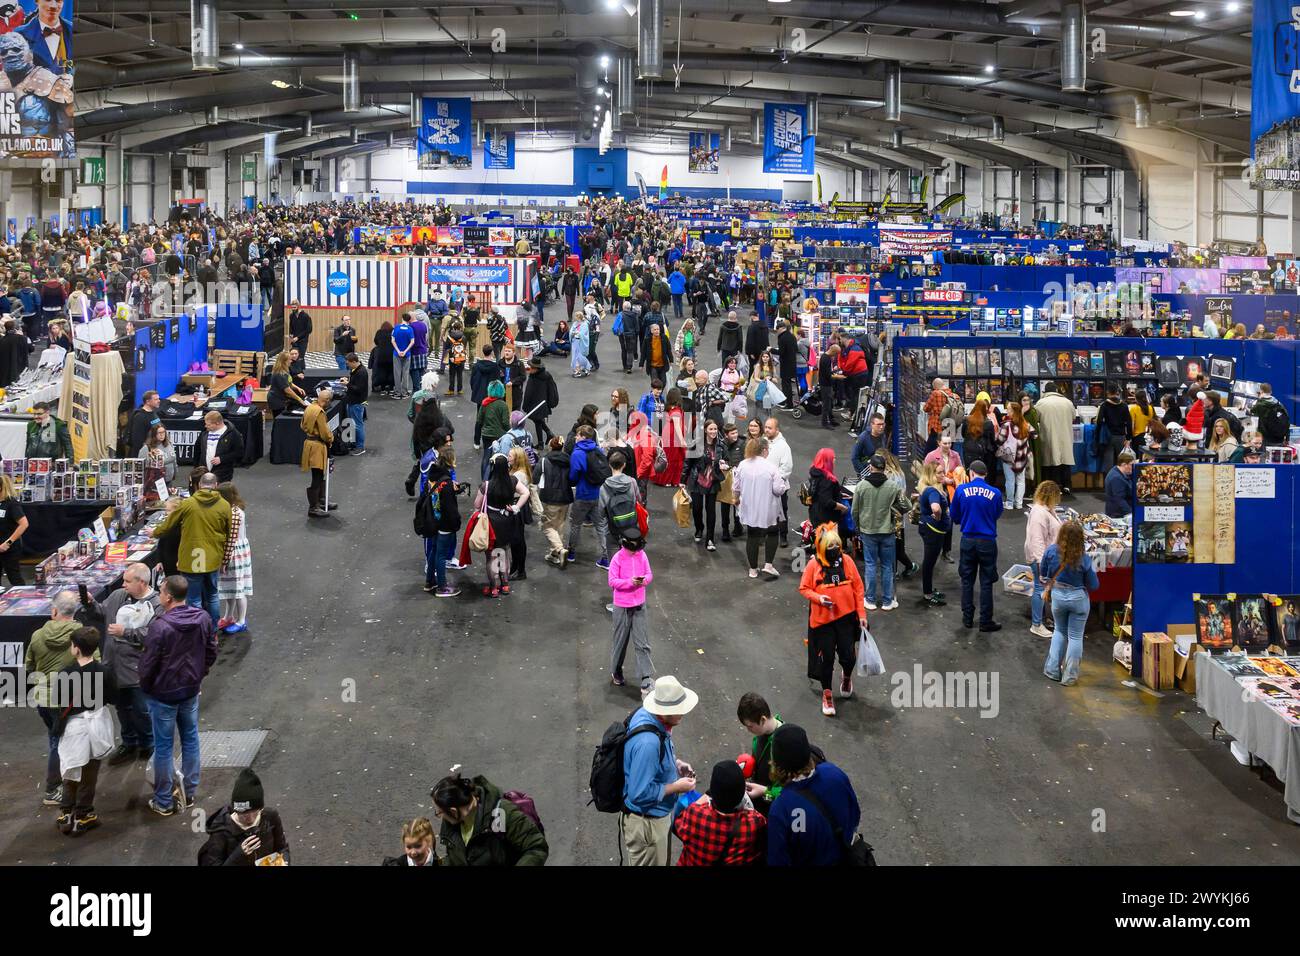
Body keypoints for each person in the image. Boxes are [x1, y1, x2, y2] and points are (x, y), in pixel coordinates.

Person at [140, 575, 218, 816]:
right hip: (190, 691)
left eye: (161, 591)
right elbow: (211, 651)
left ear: (169, 597)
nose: (159, 595)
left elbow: (148, 664)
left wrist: (147, 686)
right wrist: (199, 675)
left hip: (163, 694)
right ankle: (189, 791)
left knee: (163, 746)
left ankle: (164, 800)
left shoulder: (160, 626)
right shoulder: (203, 618)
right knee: (190, 738)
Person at [84, 562, 158, 765]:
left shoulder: (156, 603)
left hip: (137, 668)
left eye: (127, 581)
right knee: (122, 707)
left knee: (141, 709)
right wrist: (91, 604)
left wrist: (125, 632)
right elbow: (101, 613)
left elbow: (154, 634)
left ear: (142, 582)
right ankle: (129, 742)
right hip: (113, 665)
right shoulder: (118, 596)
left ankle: (149, 744)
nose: (122, 584)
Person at [621, 675, 699, 866]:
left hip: (653, 820)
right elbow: (638, 794)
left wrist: (676, 763)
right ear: (663, 712)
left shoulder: (649, 717)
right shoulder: (648, 743)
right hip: (647, 825)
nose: (683, 714)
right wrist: (675, 787)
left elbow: (653, 760)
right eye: (678, 710)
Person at [52, 627, 117, 836]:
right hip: (96, 726)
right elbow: (112, 697)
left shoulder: (65, 674)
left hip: (73, 728)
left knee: (70, 768)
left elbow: (58, 703)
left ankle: (66, 813)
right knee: (90, 771)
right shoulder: (104, 671)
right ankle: (84, 814)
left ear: (76, 649)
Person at [767, 724, 862, 866]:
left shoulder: (781, 809)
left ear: (777, 764)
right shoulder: (834, 773)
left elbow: (778, 860)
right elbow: (855, 815)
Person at [798, 525, 865, 717]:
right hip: (823, 622)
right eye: (830, 545)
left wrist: (861, 616)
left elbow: (858, 589)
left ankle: (846, 676)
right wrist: (818, 598)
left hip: (846, 619)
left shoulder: (847, 561)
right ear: (821, 547)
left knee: (848, 656)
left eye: (837, 544)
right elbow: (804, 588)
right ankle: (827, 693)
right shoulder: (813, 565)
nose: (835, 548)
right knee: (825, 660)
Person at [149, 471, 231, 624]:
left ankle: (197, 631)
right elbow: (229, 533)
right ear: (216, 486)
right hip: (213, 557)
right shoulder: (225, 505)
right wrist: (225, 558)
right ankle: (212, 631)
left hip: (192, 559)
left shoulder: (188, 504)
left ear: (199, 485)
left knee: (193, 598)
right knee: (213, 595)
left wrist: (154, 532)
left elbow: (168, 524)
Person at [26, 590, 82, 806]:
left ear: (54, 611)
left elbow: (29, 666)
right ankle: (53, 789)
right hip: (69, 699)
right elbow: (93, 664)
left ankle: (59, 785)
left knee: (55, 738)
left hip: (43, 698)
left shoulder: (38, 635)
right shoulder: (81, 634)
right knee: (60, 743)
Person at [430, 770, 549, 866]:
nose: (439, 816)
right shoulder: (452, 822)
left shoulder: (502, 813)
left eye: (439, 812)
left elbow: (536, 847)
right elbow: (455, 859)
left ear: (453, 811)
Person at [672, 759, 767, 866]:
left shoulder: (694, 814)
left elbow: (677, 825)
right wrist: (766, 790)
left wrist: (709, 793)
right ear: (742, 794)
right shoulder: (754, 823)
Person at [1041, 520, 1101, 687]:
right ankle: (1070, 677)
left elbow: (1044, 575)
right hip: (1078, 600)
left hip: (1058, 597)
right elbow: (1094, 585)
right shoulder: (1084, 559)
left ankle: (1052, 671)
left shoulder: (1051, 552)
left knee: (1059, 631)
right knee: (1075, 637)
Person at [949, 460, 1003, 632]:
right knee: (986, 582)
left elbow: (954, 515)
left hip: (968, 540)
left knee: (967, 580)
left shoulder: (961, 490)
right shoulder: (995, 493)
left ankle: (967, 618)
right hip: (987, 541)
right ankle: (986, 620)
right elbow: (997, 513)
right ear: (985, 474)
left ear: (971, 473)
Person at [198, 769, 291, 865]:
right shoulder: (221, 831)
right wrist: (239, 854)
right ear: (236, 810)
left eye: (254, 812)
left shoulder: (271, 817)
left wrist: (284, 862)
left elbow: (282, 848)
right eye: (244, 814)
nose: (250, 819)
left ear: (260, 808)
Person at [852, 454, 906, 611]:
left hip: (868, 531)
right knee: (887, 566)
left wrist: (857, 526)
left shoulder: (862, 486)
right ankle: (888, 601)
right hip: (887, 531)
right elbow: (906, 505)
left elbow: (854, 510)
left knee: (870, 564)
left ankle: (870, 599)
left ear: (871, 467)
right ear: (884, 468)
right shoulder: (893, 486)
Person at [474, 453, 530, 597]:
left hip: (491, 523)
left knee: (491, 556)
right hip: (507, 520)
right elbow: (526, 493)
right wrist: (516, 507)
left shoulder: (486, 485)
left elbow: (477, 504)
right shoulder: (512, 481)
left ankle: (494, 587)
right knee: (504, 552)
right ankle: (505, 585)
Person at [735, 436, 789, 580]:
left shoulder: (742, 465)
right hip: (768, 508)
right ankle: (768, 565)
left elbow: (736, 486)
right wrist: (783, 485)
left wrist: (735, 499)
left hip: (749, 507)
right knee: (772, 532)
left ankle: (753, 569)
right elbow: (778, 490)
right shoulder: (771, 468)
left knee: (752, 535)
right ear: (764, 450)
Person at [608, 528, 655, 693]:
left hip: (639, 605)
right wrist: (630, 582)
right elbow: (612, 581)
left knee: (643, 642)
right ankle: (616, 671)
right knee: (620, 641)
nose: (635, 550)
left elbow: (649, 574)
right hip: (622, 606)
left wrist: (643, 581)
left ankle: (646, 677)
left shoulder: (642, 555)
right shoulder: (617, 558)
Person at [417, 439, 462, 597]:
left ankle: (430, 582)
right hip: (444, 524)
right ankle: (442, 587)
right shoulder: (447, 483)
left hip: (433, 521)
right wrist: (455, 524)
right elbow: (450, 509)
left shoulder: (433, 475)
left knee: (434, 552)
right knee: (441, 555)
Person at [1024, 480, 1063, 639]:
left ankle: (1043, 619)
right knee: (1040, 589)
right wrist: (1041, 564)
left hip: (1047, 557)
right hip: (1041, 558)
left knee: (1045, 588)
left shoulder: (1046, 510)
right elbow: (1037, 540)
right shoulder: (1040, 513)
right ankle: (1036, 624)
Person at [566, 425, 609, 566]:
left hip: (583, 494)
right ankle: (605, 557)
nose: (575, 437)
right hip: (598, 494)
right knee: (600, 526)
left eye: (578, 435)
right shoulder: (598, 450)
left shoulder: (578, 453)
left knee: (575, 524)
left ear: (583, 437)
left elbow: (574, 474)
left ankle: (571, 552)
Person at [682, 418, 727, 551]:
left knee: (711, 511)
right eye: (711, 429)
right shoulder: (696, 444)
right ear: (705, 430)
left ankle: (710, 538)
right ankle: (699, 528)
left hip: (712, 481)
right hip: (697, 480)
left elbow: (726, 459)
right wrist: (682, 481)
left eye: (715, 429)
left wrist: (724, 464)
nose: (713, 431)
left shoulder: (720, 445)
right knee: (696, 508)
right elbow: (687, 463)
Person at [215, 483, 253, 635]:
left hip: (234, 553)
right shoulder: (233, 509)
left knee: (238, 588)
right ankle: (228, 616)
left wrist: (224, 561)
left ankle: (241, 620)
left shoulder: (235, 513)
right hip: (235, 551)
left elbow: (231, 540)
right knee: (229, 587)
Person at [915, 461, 950, 608]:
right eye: (939, 472)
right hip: (932, 532)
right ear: (931, 475)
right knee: (929, 562)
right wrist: (939, 515)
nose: (943, 475)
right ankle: (928, 594)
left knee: (930, 561)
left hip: (931, 530)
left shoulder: (933, 489)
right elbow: (935, 508)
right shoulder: (933, 492)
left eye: (943, 472)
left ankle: (928, 590)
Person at [538, 436, 572, 570]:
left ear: (551, 446)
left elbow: (535, 478)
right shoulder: (568, 460)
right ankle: (554, 554)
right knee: (560, 525)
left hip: (550, 498)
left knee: (547, 526)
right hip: (565, 497)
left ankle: (559, 549)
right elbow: (573, 477)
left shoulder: (544, 461)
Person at [301, 386, 335, 517]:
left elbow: (302, 425)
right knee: (317, 476)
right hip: (317, 447)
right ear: (326, 401)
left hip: (309, 444)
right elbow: (326, 433)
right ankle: (313, 507)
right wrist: (331, 438)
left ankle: (320, 500)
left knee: (319, 474)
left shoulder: (309, 408)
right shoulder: (320, 413)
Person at [1036, 382, 1076, 492]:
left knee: (1049, 462)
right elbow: (1073, 416)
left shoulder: (1041, 403)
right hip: (1065, 437)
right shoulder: (1068, 402)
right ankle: (1067, 485)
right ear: (1057, 390)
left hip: (1049, 437)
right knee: (1065, 461)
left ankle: (1052, 487)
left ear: (1045, 392)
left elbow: (1036, 419)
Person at [995, 400, 1034, 510]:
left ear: (1013, 412)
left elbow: (999, 440)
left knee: (1010, 480)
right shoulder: (1026, 425)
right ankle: (1019, 503)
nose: (1007, 411)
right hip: (1022, 457)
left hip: (1009, 457)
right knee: (1021, 480)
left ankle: (1010, 503)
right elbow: (1035, 435)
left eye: (1008, 409)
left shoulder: (1006, 426)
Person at [763, 417, 794, 545]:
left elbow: (786, 467)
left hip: (779, 486)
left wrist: (776, 482)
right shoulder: (762, 442)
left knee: (781, 511)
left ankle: (783, 536)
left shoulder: (783, 446)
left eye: (770, 428)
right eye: (765, 427)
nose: (766, 430)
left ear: (777, 430)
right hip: (764, 485)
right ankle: (766, 533)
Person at [520, 356, 559, 447]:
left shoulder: (533, 378)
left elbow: (528, 393)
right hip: (543, 404)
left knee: (537, 421)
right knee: (538, 421)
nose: (530, 369)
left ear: (536, 368)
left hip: (535, 405)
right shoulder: (547, 376)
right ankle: (548, 434)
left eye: (532, 367)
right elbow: (552, 390)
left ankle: (541, 443)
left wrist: (525, 406)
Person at [338, 351, 369, 456]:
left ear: (354, 362)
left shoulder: (361, 372)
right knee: (353, 424)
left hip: (357, 402)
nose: (347, 365)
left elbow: (359, 389)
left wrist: (348, 384)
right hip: (352, 401)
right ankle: (355, 443)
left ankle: (360, 447)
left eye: (348, 363)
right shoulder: (356, 370)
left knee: (358, 425)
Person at [200, 410, 243, 484]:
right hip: (205, 472)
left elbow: (239, 452)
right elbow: (198, 450)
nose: (206, 426)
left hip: (223, 474)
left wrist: (222, 459)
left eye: (208, 424)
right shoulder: (205, 432)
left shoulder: (233, 434)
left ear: (217, 423)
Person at [0, 473, 26, 585]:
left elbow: (24, 524)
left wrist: (8, 542)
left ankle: (25, 600)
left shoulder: (11, 504)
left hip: (9, 549)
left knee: (14, 577)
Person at [266, 351, 308, 418]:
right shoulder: (279, 374)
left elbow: (289, 382)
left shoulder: (285, 369)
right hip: (276, 400)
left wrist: (297, 388)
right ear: (284, 361)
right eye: (289, 360)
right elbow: (287, 390)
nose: (291, 361)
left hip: (282, 399)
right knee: (279, 419)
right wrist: (299, 400)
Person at [851, 413, 887, 477]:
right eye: (878, 424)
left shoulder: (883, 435)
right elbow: (854, 458)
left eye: (883, 424)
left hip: (880, 472)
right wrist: (864, 474)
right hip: (866, 472)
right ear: (872, 425)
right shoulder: (863, 437)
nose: (881, 427)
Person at [128, 390, 162, 456]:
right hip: (144, 454)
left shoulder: (154, 413)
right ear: (148, 402)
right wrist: (147, 452)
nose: (159, 401)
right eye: (156, 399)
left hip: (154, 450)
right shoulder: (140, 417)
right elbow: (137, 440)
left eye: (158, 399)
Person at [391, 312, 415, 400]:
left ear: (402, 318)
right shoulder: (410, 329)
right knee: (405, 373)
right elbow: (412, 342)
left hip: (396, 354)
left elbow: (392, 341)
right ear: (409, 320)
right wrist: (405, 351)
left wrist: (398, 351)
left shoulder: (396, 328)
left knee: (397, 373)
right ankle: (404, 393)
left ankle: (397, 393)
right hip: (407, 354)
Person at [1104, 451, 1135, 518]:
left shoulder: (1116, 470)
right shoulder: (1116, 478)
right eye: (1131, 465)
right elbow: (1119, 500)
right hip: (1118, 514)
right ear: (1124, 465)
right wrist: (1131, 513)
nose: (1133, 467)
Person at [816, 344, 841, 428]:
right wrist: (836, 377)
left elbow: (827, 372)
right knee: (826, 404)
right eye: (836, 354)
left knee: (829, 403)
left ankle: (831, 419)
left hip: (826, 384)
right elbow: (826, 374)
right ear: (833, 351)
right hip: (825, 384)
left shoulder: (825, 357)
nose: (836, 356)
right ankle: (825, 423)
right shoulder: (825, 359)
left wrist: (833, 373)